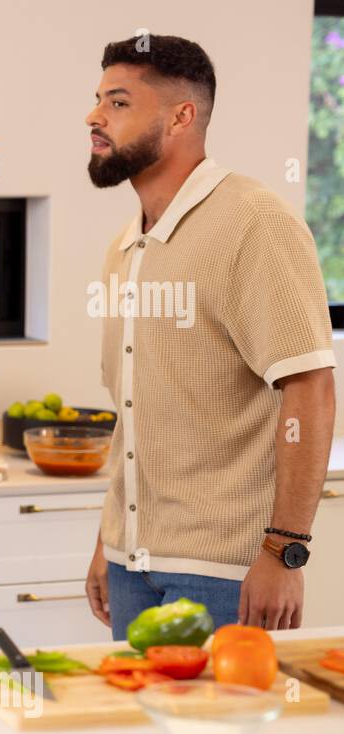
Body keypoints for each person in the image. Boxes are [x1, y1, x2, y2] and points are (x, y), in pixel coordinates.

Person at [81, 36, 336, 640]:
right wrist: (108, 541)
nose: (93, 116)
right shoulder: (124, 249)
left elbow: (311, 388)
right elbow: (132, 418)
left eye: (117, 103)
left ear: (181, 116)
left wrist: (285, 552)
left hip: (225, 571)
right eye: (96, 101)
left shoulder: (255, 223)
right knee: (137, 732)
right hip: (131, 567)